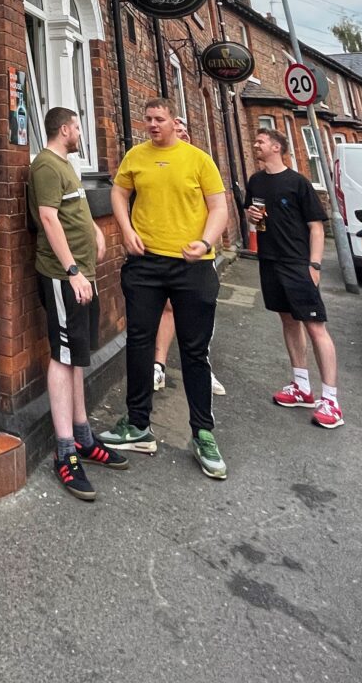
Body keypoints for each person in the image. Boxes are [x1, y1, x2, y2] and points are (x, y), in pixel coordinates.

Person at [102, 98, 230, 480]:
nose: (153, 125)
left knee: (194, 351)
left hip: (193, 266)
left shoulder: (198, 160)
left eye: (160, 119)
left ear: (175, 121)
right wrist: (126, 231)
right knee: (139, 342)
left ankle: (203, 433)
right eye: (148, 119)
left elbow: (219, 207)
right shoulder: (135, 157)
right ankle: (138, 425)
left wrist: (206, 242)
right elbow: (118, 193)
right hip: (146, 264)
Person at [28, 106, 129, 501]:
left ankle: (84, 437)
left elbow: (74, 209)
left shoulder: (66, 164)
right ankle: (65, 450)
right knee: (62, 354)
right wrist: (73, 271)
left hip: (80, 274)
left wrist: (93, 233)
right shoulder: (45, 166)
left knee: (77, 354)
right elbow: (49, 219)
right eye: (79, 127)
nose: (82, 133)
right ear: (66, 129)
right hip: (61, 275)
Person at [247, 128, 342, 428]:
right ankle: (301, 385)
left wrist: (314, 265)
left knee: (315, 327)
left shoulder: (298, 182)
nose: (256, 145)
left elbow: (316, 227)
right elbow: (254, 217)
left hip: (297, 263)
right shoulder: (256, 181)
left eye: (260, 141)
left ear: (276, 147)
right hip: (270, 260)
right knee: (288, 321)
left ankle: (331, 401)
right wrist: (252, 218)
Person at [153, 119, 226, 398]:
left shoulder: (201, 166)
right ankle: (158, 365)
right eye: (178, 129)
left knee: (196, 317)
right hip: (164, 252)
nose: (181, 134)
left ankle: (202, 371)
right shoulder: (157, 166)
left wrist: (206, 242)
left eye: (185, 131)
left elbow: (218, 209)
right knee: (168, 309)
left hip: (197, 256)